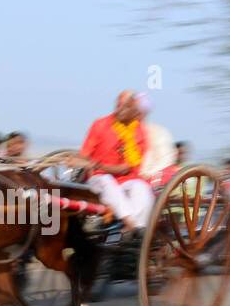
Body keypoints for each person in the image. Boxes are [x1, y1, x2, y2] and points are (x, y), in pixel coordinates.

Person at [74, 90, 156, 233]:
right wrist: (79, 161)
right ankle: (129, 223)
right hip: (97, 178)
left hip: (125, 179)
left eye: (126, 107)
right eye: (118, 106)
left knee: (142, 188)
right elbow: (84, 155)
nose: (120, 110)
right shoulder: (100, 124)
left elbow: (126, 168)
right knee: (106, 180)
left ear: (135, 112)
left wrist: (100, 165)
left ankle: (135, 230)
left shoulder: (140, 133)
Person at [136, 97, 176, 186]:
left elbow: (166, 160)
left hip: (151, 177)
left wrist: (147, 174)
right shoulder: (119, 132)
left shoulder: (159, 132)